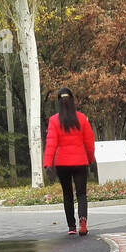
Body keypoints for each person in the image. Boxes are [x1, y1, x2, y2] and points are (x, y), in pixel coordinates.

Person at [43, 88, 96, 235]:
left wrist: (48, 163)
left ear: (59, 102)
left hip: (62, 163)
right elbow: (89, 142)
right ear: (72, 101)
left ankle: (71, 227)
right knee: (81, 194)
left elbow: (51, 143)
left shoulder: (54, 120)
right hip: (80, 161)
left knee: (67, 195)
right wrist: (91, 159)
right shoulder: (81, 118)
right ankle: (83, 221)